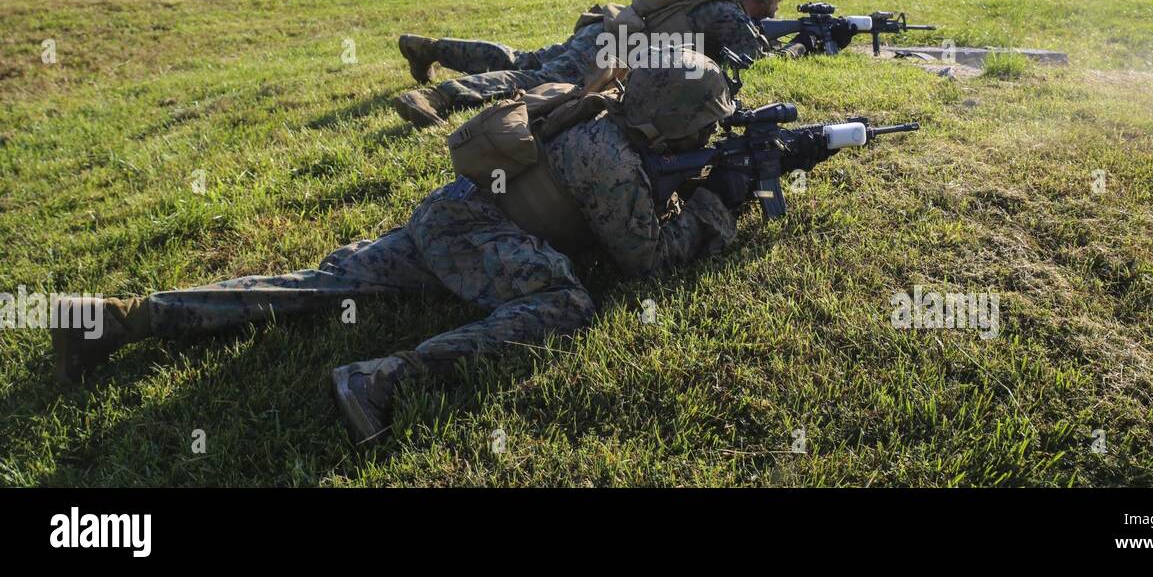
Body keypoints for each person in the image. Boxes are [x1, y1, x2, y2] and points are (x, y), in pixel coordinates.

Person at [50, 49, 741, 445]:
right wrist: (713, 207)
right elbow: (646, 260)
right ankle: (382, 380)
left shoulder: (593, 102)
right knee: (564, 304)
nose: (708, 138)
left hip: (448, 217)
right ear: (676, 120)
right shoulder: (611, 159)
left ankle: (117, 316)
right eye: (705, 126)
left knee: (318, 284)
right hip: (482, 236)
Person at [392, 0, 800, 128]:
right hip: (612, 49)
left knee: (524, 61)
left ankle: (431, 48)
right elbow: (763, 60)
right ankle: (438, 97)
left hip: (607, 29)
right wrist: (804, 45)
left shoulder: (721, 3)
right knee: (537, 82)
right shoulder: (728, 15)